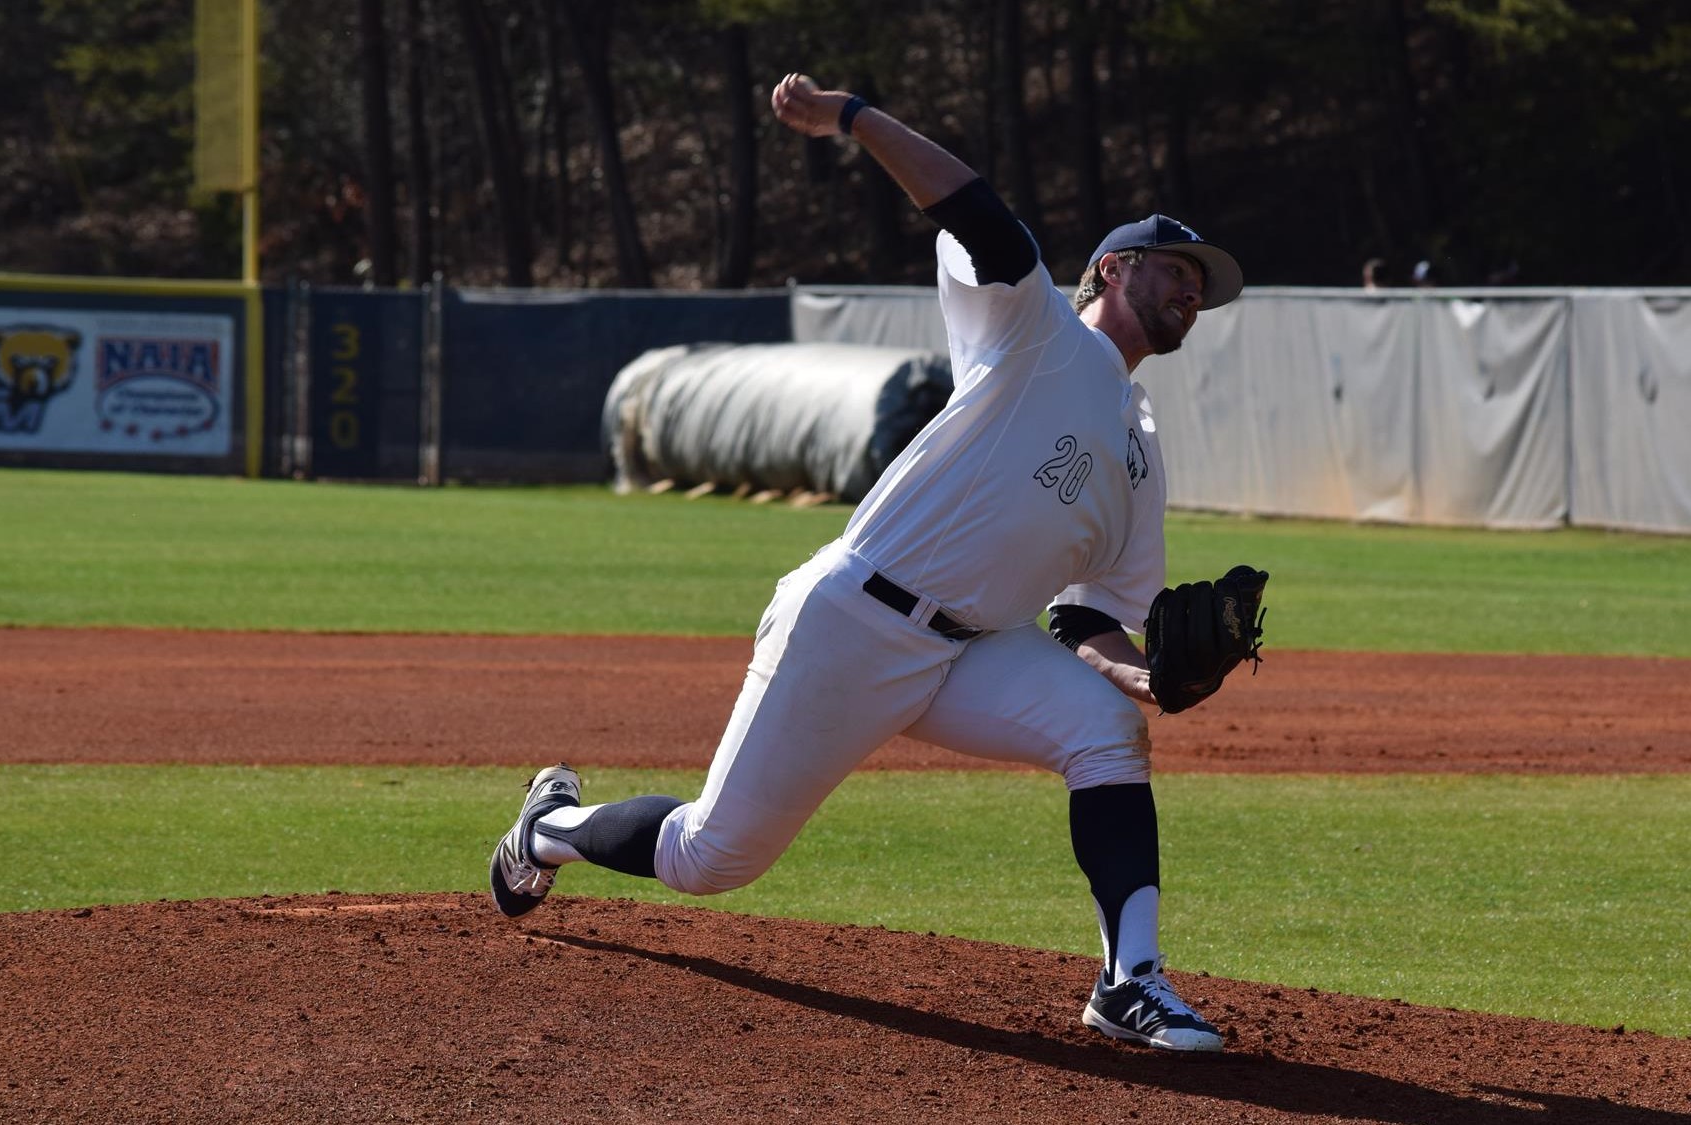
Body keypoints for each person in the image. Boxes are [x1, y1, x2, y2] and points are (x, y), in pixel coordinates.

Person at [488, 71, 1249, 1053]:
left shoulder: (1139, 453)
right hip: (851, 620)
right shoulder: (1033, 332)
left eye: (1203, 283)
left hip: (971, 653)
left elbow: (1083, 618)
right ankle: (548, 827)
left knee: (1105, 729)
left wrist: (1147, 676)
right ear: (1109, 269)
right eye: (1173, 265)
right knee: (710, 856)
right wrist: (851, 119)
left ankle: (1129, 980)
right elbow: (980, 218)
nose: (1193, 284)